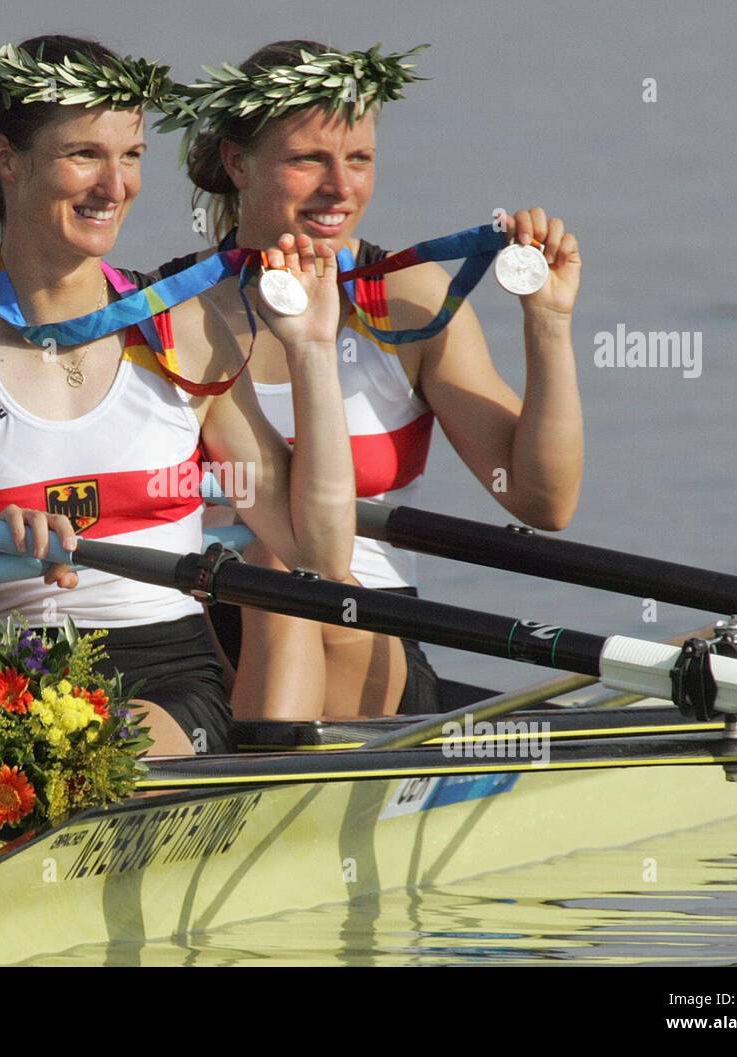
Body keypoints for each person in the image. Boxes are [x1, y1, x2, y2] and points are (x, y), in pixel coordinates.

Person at [0, 36, 355, 756]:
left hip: (168, 680)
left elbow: (321, 549)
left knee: (89, 754)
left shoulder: (183, 324)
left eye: (133, 155)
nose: (116, 186)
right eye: (85, 154)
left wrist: (313, 349)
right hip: (3, 679)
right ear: (7, 159)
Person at [150, 41, 584, 721]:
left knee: (278, 563)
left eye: (359, 159)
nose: (341, 188)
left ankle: (260, 786)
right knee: (261, 569)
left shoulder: (409, 301)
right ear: (237, 162)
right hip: (187, 642)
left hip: (361, 634)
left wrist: (548, 323)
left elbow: (543, 501)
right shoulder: (169, 311)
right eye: (307, 160)